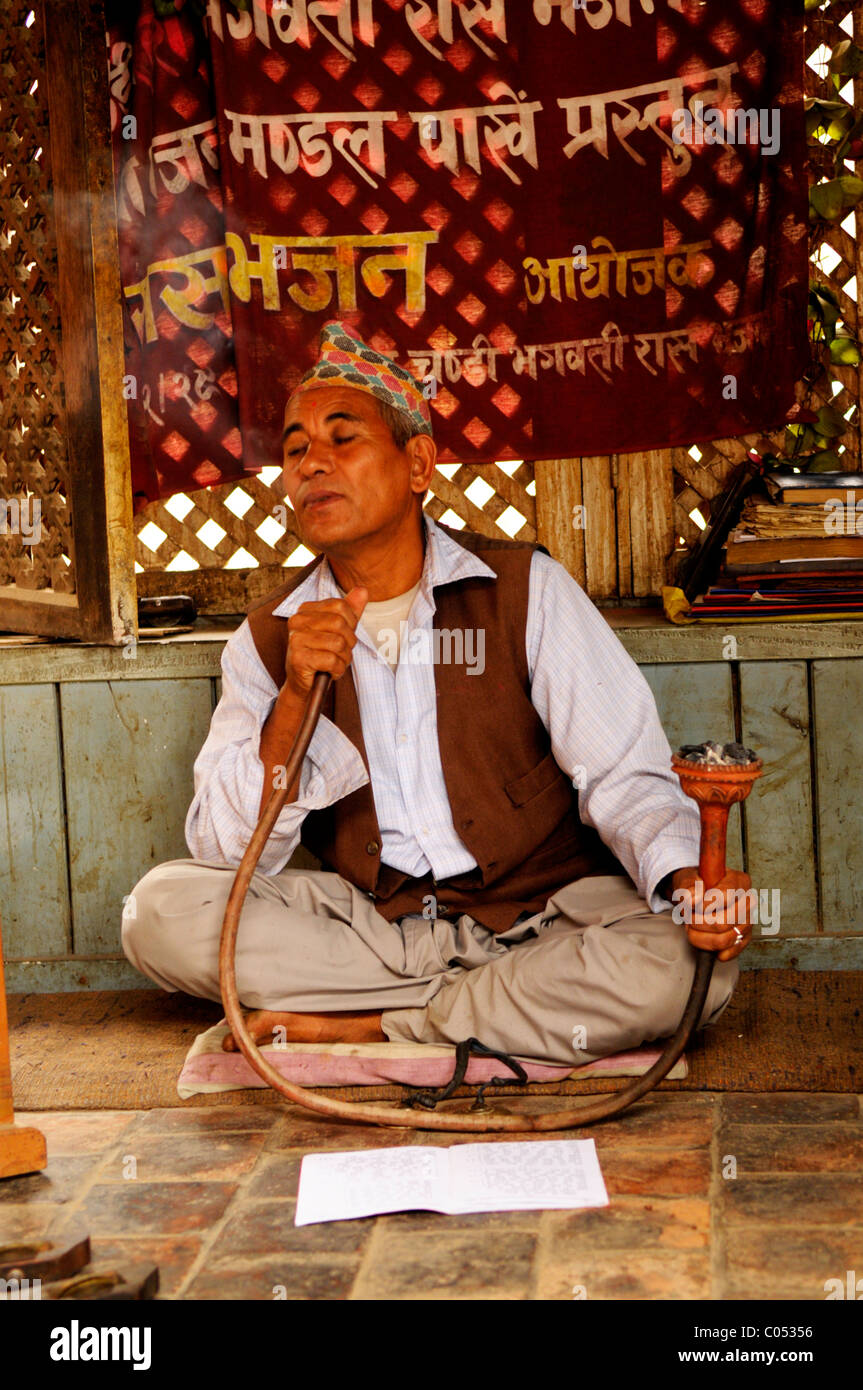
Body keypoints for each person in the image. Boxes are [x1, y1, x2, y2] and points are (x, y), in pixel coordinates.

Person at [122, 320, 752, 1067]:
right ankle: (477, 1009)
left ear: (417, 462)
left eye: (341, 438)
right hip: (374, 934)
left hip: (544, 920)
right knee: (158, 913)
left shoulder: (524, 592)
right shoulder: (267, 641)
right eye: (294, 450)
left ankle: (377, 1026)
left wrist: (687, 883)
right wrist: (294, 695)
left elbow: (626, 780)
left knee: (687, 966)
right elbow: (227, 852)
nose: (310, 465)